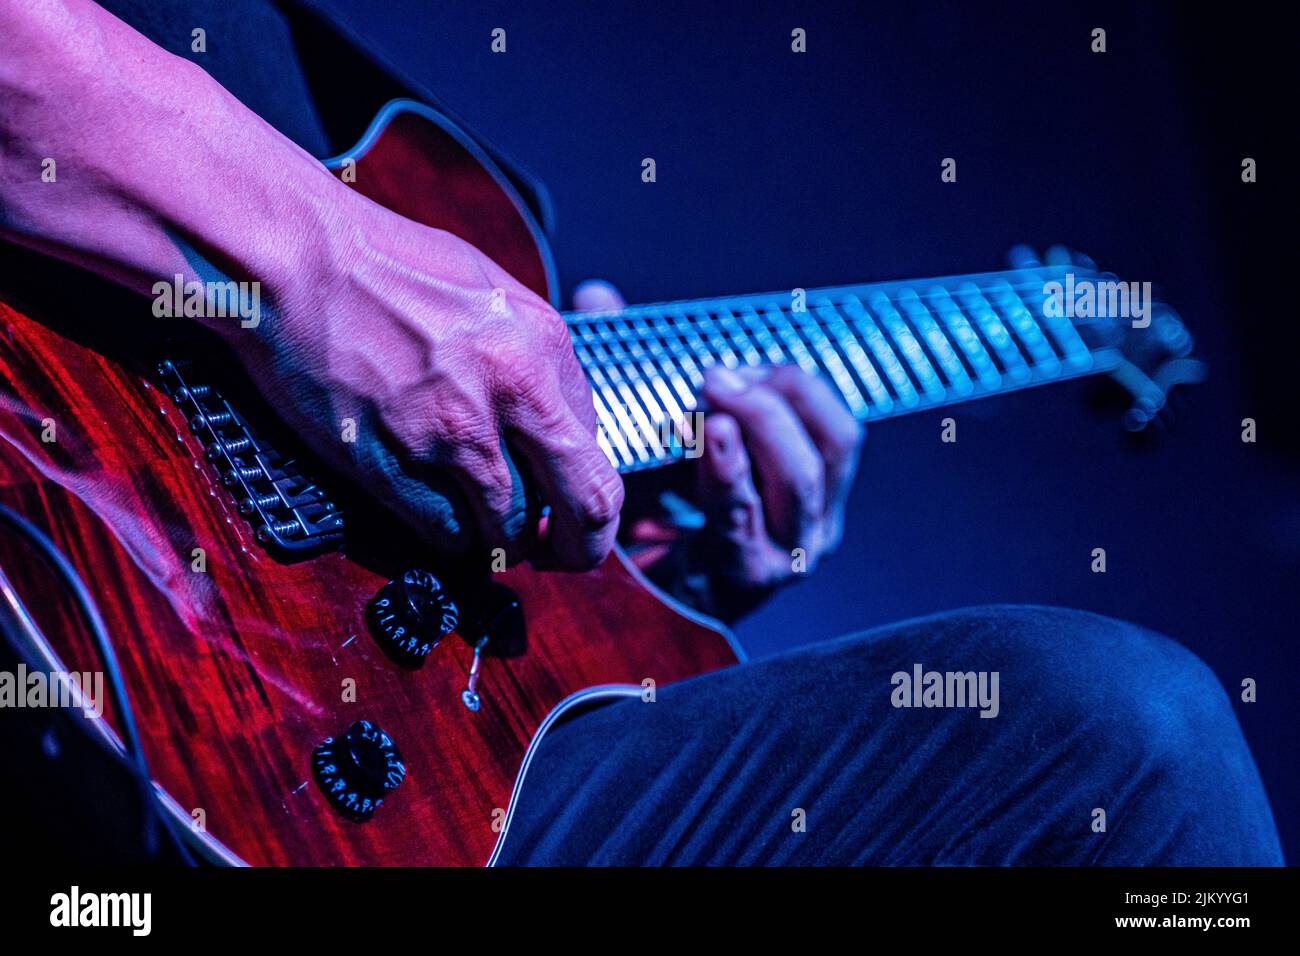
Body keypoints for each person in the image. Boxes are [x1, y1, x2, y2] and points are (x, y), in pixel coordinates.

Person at [0, 0, 1282, 864]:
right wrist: (316, 258)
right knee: (1124, 724)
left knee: (1100, 745)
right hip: (69, 606)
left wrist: (606, 573)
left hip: (354, 775)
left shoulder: (408, 140)